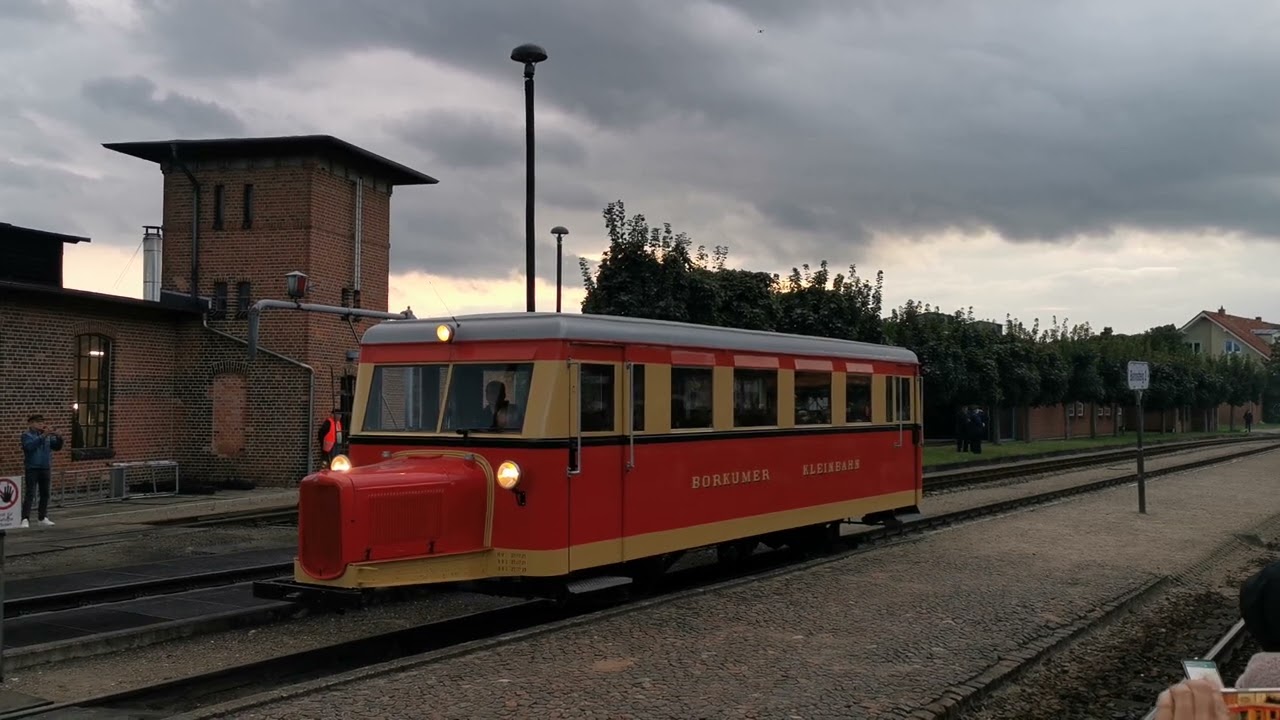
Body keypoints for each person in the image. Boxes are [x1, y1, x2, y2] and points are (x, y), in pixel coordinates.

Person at [19, 414, 60, 528]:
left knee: (45, 493)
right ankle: (25, 518)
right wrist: (43, 436)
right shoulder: (26, 435)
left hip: (45, 467)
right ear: (31, 424)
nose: (41, 424)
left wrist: (59, 437)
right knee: (30, 493)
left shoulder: (46, 436)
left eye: (42, 422)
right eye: (38, 422)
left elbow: (56, 447)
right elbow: (29, 447)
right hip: (32, 467)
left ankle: (42, 517)